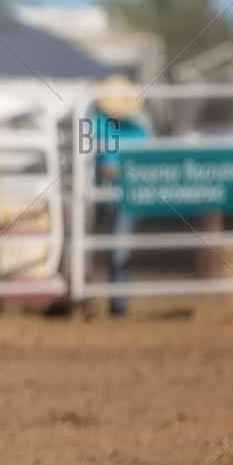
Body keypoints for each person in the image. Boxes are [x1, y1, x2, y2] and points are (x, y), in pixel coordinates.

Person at [90, 75, 152, 315]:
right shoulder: (102, 124)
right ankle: (114, 302)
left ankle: (118, 303)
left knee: (118, 248)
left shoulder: (135, 129)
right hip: (105, 195)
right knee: (113, 247)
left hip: (122, 197)